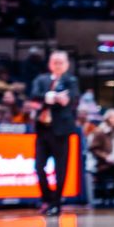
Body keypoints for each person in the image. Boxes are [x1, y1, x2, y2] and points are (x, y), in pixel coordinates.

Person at [29, 51, 80, 216]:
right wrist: (50, 96)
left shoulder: (71, 80)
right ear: (50, 63)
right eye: (55, 62)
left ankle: (56, 203)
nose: (57, 65)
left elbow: (70, 98)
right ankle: (47, 198)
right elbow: (34, 96)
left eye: (61, 62)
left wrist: (58, 98)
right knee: (38, 166)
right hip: (43, 129)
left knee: (60, 168)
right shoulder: (41, 79)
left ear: (66, 64)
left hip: (61, 131)